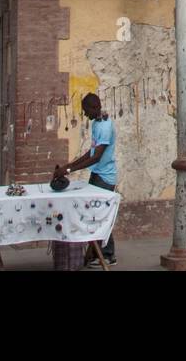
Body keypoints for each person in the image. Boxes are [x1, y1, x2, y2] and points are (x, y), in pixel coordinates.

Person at [54, 93, 117, 266]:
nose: (85, 114)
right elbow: (90, 153)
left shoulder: (104, 127)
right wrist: (68, 166)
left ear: (95, 107)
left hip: (105, 177)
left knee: (99, 215)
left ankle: (107, 254)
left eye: (86, 110)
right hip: (97, 174)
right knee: (95, 214)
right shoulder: (97, 123)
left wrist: (68, 169)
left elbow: (96, 157)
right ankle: (98, 253)